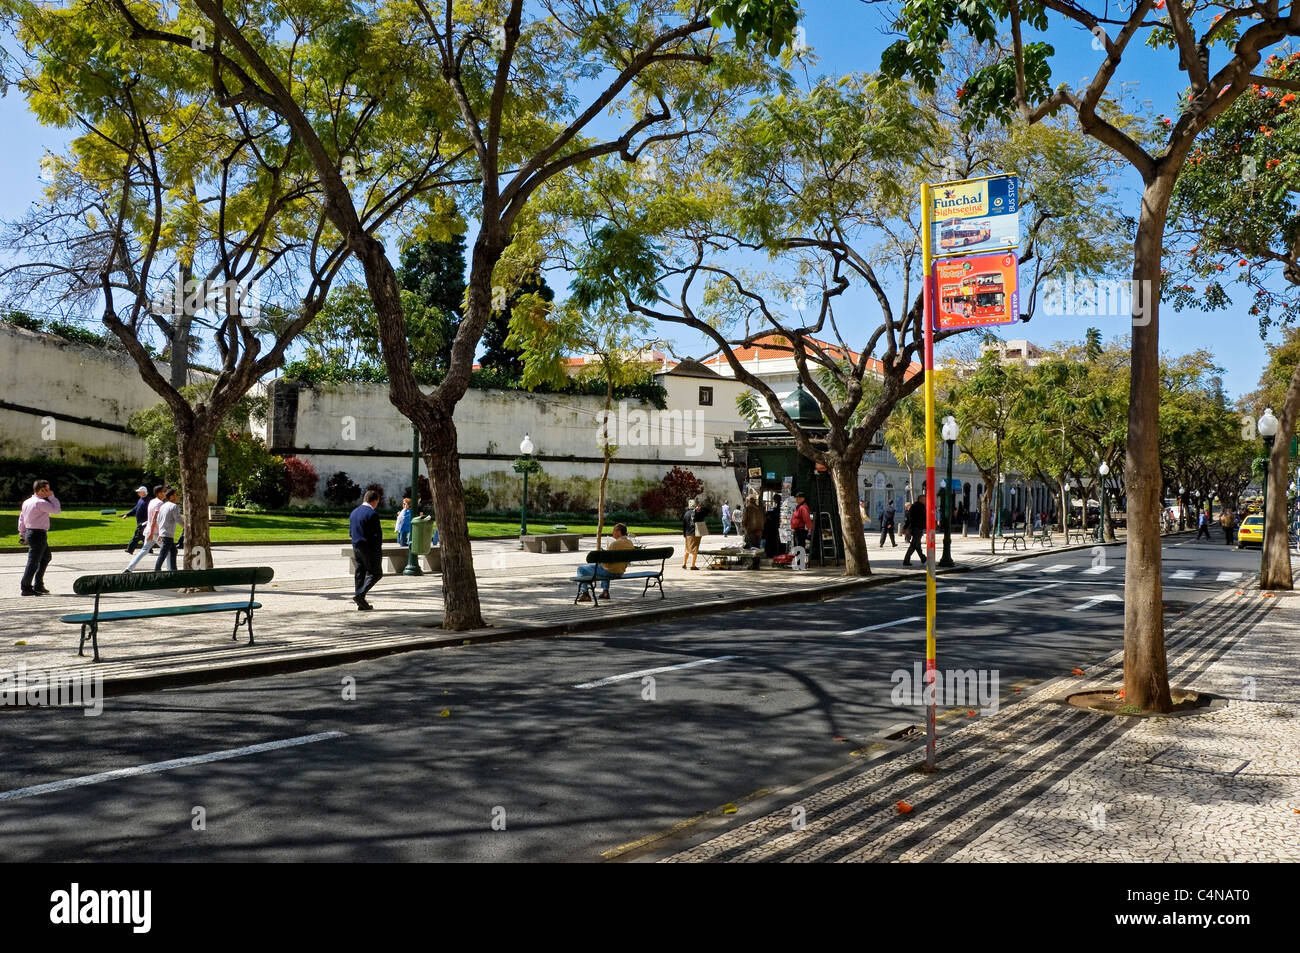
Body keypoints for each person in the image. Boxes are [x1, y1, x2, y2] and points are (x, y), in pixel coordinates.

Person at [18, 479, 61, 596]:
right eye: (45, 489)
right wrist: (52, 497)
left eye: (49, 489)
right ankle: (26, 587)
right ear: (39, 490)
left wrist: (22, 533)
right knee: (33, 561)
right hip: (38, 534)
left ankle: (38, 584)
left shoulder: (27, 502)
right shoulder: (40, 503)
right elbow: (57, 510)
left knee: (46, 557)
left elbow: (22, 518)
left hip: (31, 533)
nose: (48, 491)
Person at [576, 523, 636, 601]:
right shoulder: (630, 543)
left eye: (614, 530)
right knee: (606, 567)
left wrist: (602, 557)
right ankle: (605, 592)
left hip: (610, 571)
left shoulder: (615, 544)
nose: (612, 532)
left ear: (618, 531)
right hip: (620, 571)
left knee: (581, 569)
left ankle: (584, 593)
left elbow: (606, 562)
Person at [349, 488, 384, 610]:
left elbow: (351, 532)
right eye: (377, 502)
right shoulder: (372, 514)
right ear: (374, 501)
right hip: (369, 548)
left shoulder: (354, 512)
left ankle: (361, 602)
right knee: (376, 573)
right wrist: (378, 550)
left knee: (360, 573)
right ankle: (360, 595)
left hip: (356, 546)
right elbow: (377, 535)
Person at [124, 485, 167, 572]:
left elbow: (151, 517)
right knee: (169, 551)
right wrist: (154, 532)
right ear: (159, 493)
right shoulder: (159, 503)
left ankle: (129, 568)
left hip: (148, 530)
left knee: (143, 550)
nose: (165, 493)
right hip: (155, 532)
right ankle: (167, 569)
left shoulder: (151, 501)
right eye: (163, 492)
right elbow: (155, 518)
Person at [153, 487, 183, 572]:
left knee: (173, 551)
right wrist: (186, 528)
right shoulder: (174, 506)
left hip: (164, 533)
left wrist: (160, 533)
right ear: (171, 496)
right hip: (168, 534)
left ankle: (173, 570)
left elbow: (159, 520)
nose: (177, 497)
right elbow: (178, 519)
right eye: (175, 495)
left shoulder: (163, 506)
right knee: (163, 554)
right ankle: (157, 570)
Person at [121, 485, 150, 553]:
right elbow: (135, 509)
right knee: (144, 536)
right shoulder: (140, 500)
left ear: (143, 492)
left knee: (137, 535)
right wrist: (127, 515)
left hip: (144, 522)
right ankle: (149, 550)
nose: (138, 493)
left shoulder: (148, 501)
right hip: (140, 521)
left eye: (139, 492)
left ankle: (130, 549)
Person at [903, 494, 926, 567]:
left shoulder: (913, 506)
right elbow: (923, 517)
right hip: (918, 527)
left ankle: (923, 558)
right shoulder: (920, 506)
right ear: (920, 499)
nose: (925, 501)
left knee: (917, 544)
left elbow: (909, 519)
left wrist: (905, 527)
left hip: (914, 527)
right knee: (914, 545)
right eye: (924, 499)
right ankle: (906, 560)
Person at [762, 493, 785, 557]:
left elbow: (776, 515)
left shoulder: (779, 507)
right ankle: (772, 553)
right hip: (774, 528)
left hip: (774, 527)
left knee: (772, 541)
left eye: (774, 499)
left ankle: (772, 553)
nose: (774, 501)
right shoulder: (778, 507)